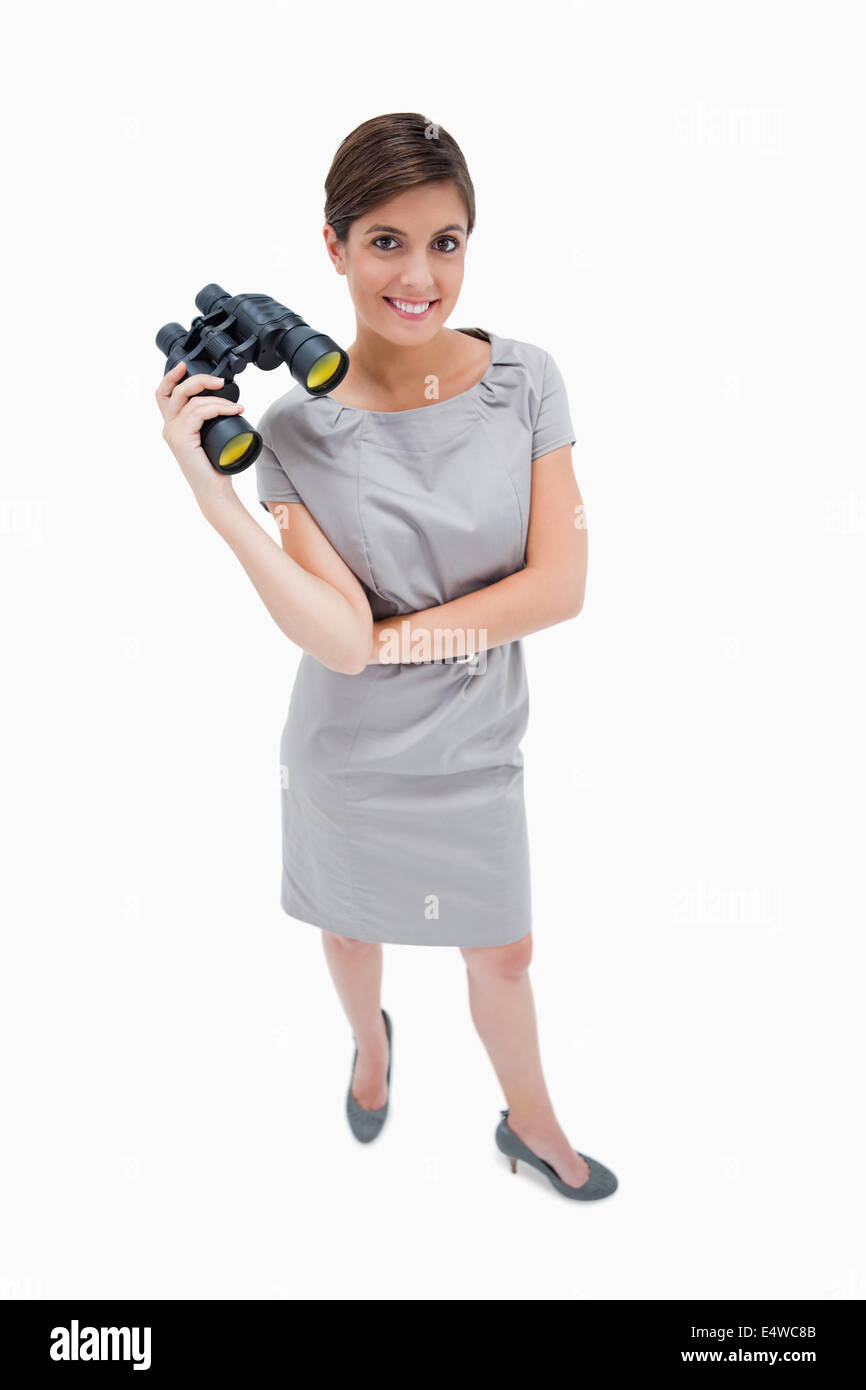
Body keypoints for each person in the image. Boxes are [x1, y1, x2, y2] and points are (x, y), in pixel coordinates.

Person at [155, 112, 617, 1202]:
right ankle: (369, 1047)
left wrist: (382, 643)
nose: (418, 276)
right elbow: (327, 642)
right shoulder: (295, 431)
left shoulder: (526, 382)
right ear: (332, 246)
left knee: (503, 954)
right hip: (346, 758)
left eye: (444, 242)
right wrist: (214, 498)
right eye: (385, 242)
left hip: (475, 750)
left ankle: (531, 1120)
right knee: (351, 932)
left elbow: (561, 586)